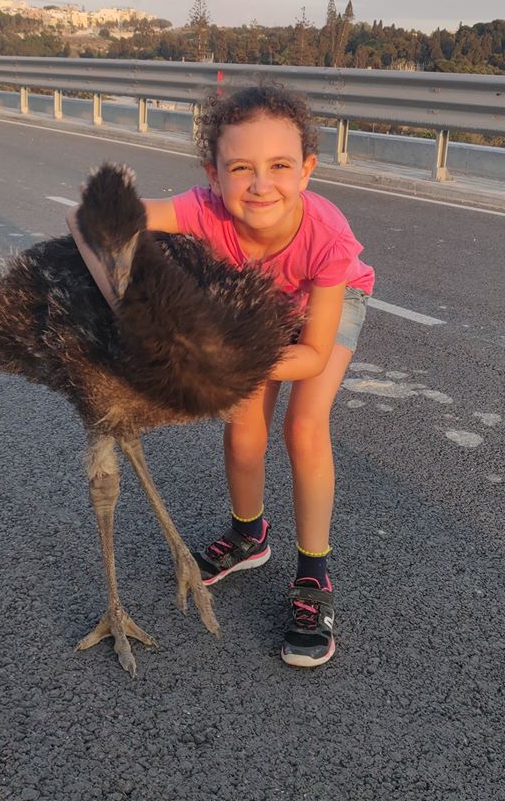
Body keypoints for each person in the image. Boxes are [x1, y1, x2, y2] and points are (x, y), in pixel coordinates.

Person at [70, 83, 374, 667]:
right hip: (255, 307)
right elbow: (88, 219)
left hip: (324, 307)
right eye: (242, 168)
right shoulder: (201, 210)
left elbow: (311, 353)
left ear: (307, 169)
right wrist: (122, 302)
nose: (262, 184)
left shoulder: (327, 236)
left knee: (304, 428)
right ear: (213, 173)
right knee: (242, 430)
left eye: (280, 166)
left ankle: (314, 576)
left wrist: (224, 359)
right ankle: (249, 536)